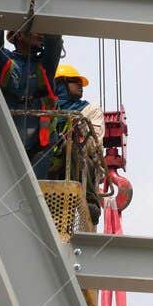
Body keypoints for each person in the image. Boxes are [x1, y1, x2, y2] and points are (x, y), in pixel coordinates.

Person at [0, 27, 63, 177]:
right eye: (35, 29)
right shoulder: (3, 61)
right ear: (18, 35)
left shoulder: (46, 64)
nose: (41, 33)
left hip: (39, 146)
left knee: (37, 191)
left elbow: (54, 41)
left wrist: (49, 17)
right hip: (5, 143)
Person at [50, 63, 106, 225]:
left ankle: (90, 201)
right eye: (75, 81)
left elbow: (94, 144)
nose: (81, 85)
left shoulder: (90, 110)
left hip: (82, 161)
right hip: (55, 161)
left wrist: (77, 129)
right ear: (60, 84)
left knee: (73, 150)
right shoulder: (47, 108)